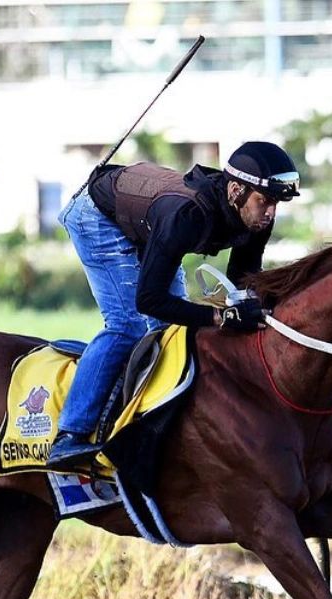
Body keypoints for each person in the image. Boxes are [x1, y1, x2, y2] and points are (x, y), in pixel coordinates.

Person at [46, 140, 301, 467]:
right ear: (236, 190)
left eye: (276, 203)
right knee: (128, 324)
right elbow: (149, 300)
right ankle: (70, 435)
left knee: (169, 334)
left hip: (145, 220)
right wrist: (221, 317)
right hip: (97, 216)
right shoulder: (187, 216)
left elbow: (242, 278)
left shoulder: (255, 216)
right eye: (264, 201)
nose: (271, 212)